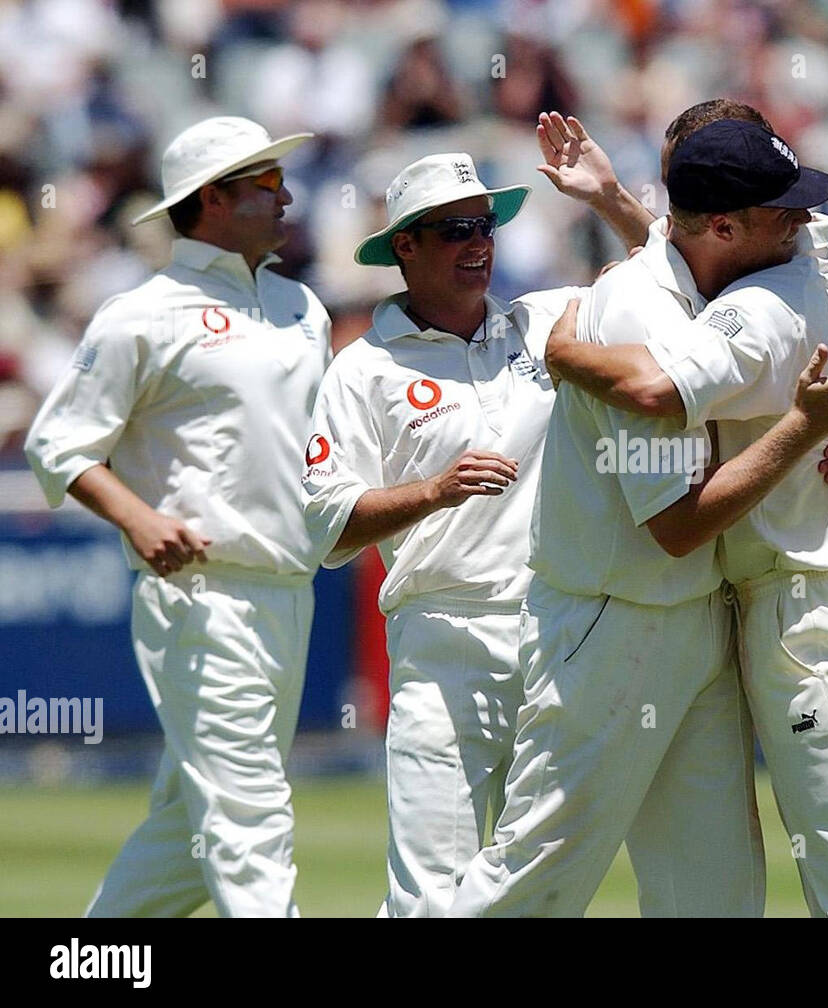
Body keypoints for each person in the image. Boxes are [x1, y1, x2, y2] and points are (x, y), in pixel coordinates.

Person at [449, 112, 828, 917]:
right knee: (531, 885)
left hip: (699, 621)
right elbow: (678, 526)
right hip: (611, 623)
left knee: (714, 898)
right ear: (726, 225)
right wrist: (811, 425)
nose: (804, 223)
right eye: (783, 209)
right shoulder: (637, 315)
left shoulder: (743, 270)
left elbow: (681, 259)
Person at [300, 140, 654, 917]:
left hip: (559, 629)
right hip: (444, 641)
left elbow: (668, 279)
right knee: (432, 895)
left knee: (541, 889)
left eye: (485, 226)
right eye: (454, 230)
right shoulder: (363, 369)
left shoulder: (540, 322)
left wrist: (609, 197)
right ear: (405, 246)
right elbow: (326, 528)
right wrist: (431, 490)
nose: (478, 244)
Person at [25, 116, 331, 917]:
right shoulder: (141, 314)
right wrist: (137, 518)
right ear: (214, 201)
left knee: (189, 839)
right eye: (267, 184)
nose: (288, 196)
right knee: (249, 821)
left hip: (289, 593)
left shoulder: (304, 307)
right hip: (201, 592)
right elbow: (58, 444)